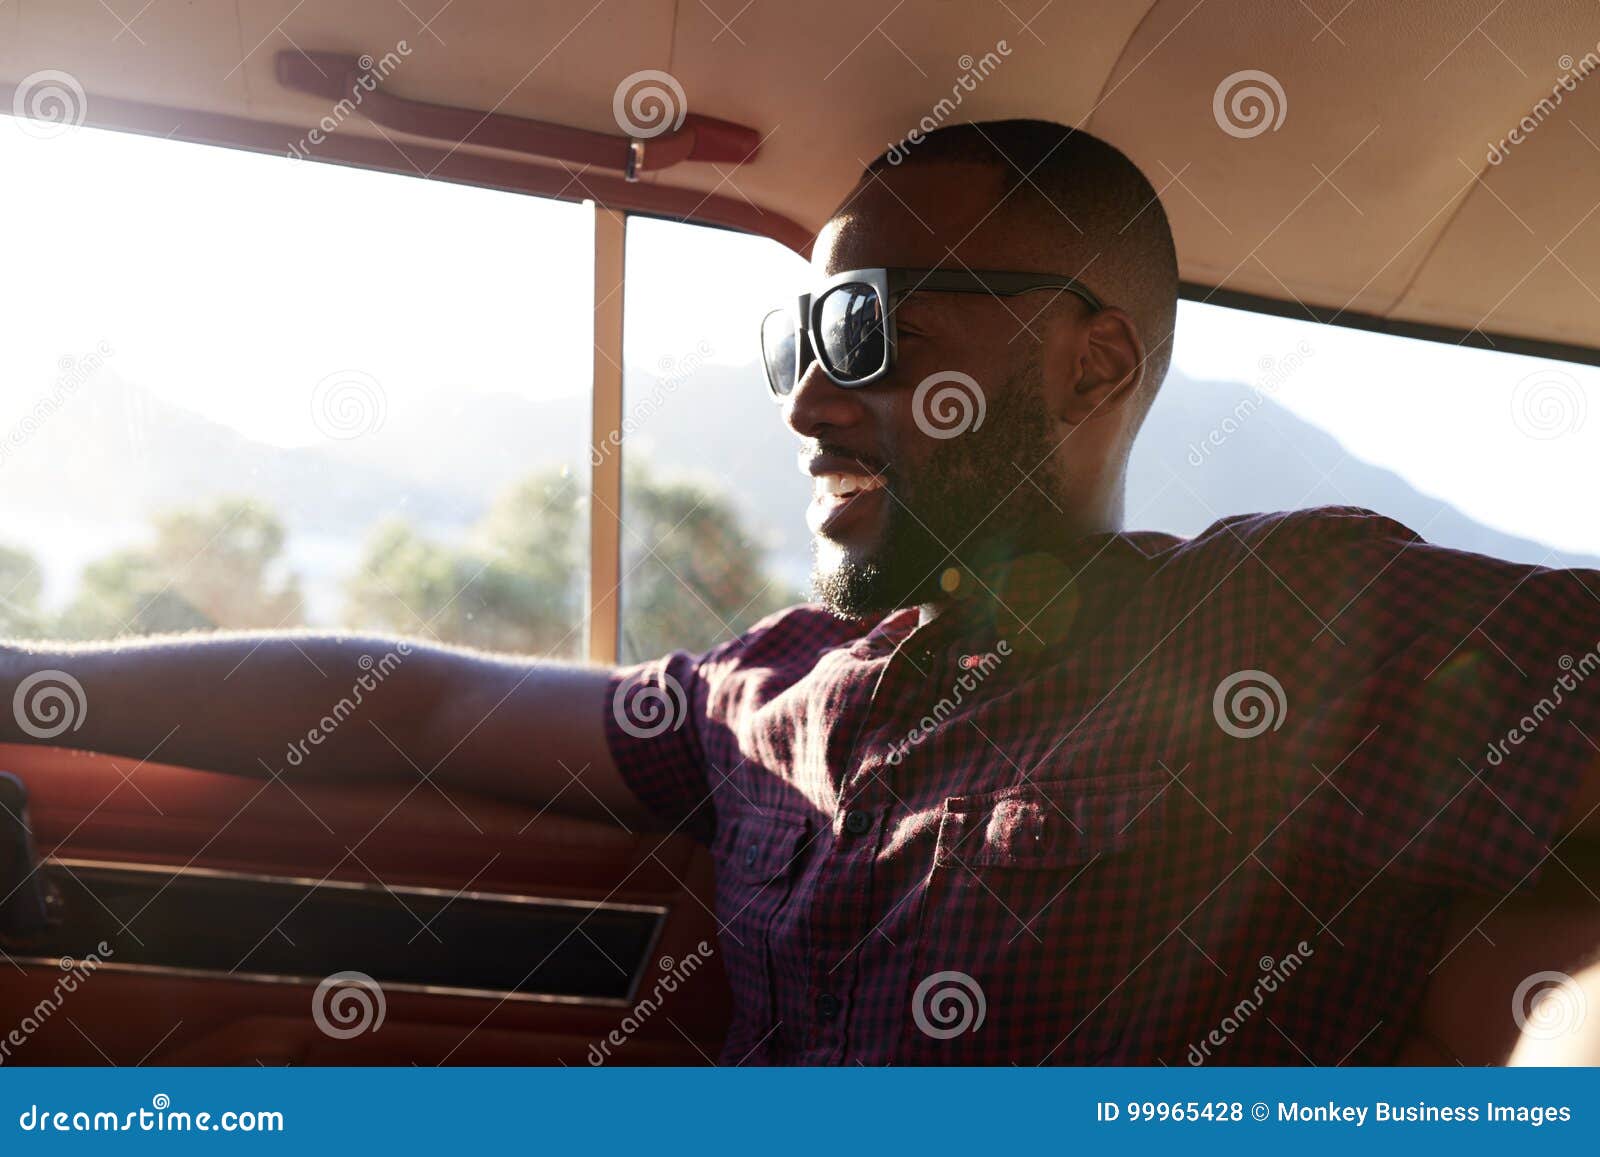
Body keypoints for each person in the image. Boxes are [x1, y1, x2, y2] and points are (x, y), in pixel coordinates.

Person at [4, 119, 1597, 1065]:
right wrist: (24, 679)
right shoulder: (769, 694)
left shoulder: (1297, 619)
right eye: (795, 340)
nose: (807, 400)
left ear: (1094, 358)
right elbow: (418, 701)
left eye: (870, 330)